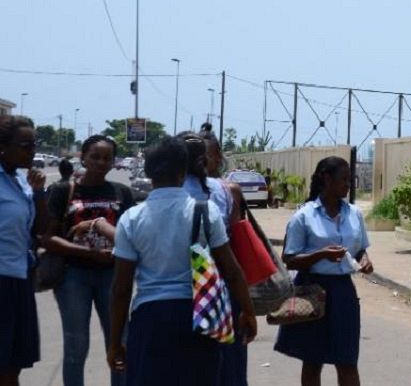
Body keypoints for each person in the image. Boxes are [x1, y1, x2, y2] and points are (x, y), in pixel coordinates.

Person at [107, 137, 257, 386]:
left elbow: (121, 289)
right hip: (199, 314)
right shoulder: (205, 211)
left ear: (148, 172)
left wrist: (115, 342)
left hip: (150, 318)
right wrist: (248, 312)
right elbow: (232, 271)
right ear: (183, 170)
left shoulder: (131, 219)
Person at [44, 135, 135, 386]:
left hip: (113, 276)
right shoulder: (63, 191)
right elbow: (48, 238)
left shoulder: (121, 193)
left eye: (107, 158)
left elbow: (131, 238)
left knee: (119, 343)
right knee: (76, 346)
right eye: (95, 156)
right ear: (83, 157)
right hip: (73, 276)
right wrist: (88, 253)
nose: (100, 162)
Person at [275, 156, 373, 386]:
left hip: (343, 293)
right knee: (312, 360)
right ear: (327, 179)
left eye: (350, 179)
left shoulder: (355, 214)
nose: (348, 185)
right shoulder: (304, 216)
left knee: (347, 360)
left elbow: (360, 249)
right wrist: (321, 255)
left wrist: (365, 260)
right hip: (312, 289)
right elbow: (289, 259)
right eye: (344, 179)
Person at [0, 115, 48, 386]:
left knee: (14, 363)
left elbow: (39, 230)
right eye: (25, 146)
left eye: (34, 145)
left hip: (20, 278)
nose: (32, 151)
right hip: (2, 279)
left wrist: (39, 193)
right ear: (3, 147)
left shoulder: (21, 182)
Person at [197, 127, 246, 386]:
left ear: (218, 158)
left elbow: (236, 241)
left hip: (215, 278)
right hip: (209, 280)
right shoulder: (227, 190)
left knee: (225, 356)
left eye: (208, 156)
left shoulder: (229, 190)